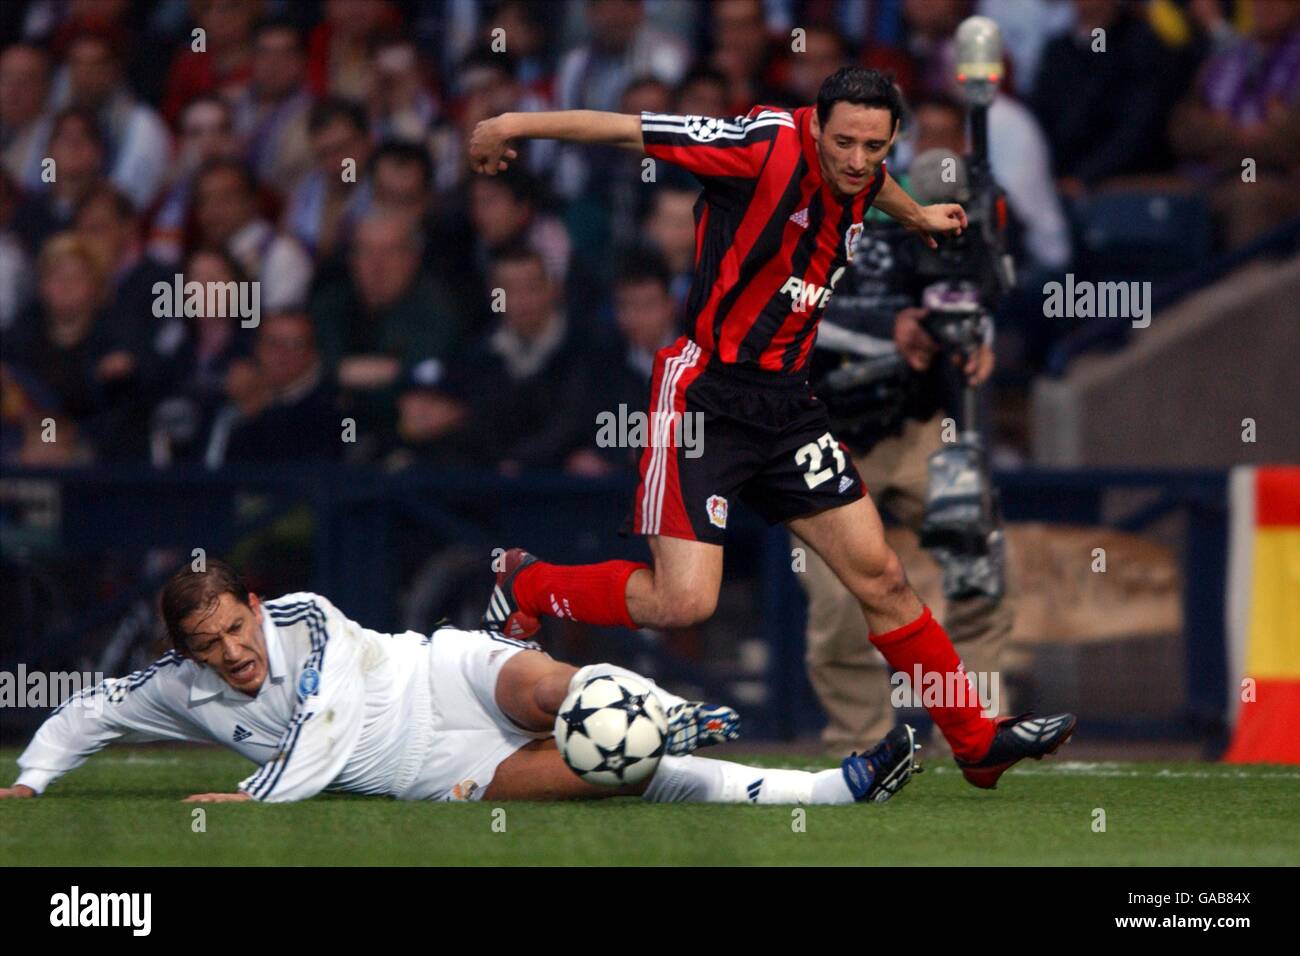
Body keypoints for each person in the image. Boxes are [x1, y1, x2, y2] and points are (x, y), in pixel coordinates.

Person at [468, 66, 1074, 788]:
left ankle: (975, 741)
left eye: (873, 146)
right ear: (815, 128)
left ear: (892, 141)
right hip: (705, 399)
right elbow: (630, 129)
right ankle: (532, 584)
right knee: (682, 602)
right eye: (842, 141)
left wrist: (915, 216)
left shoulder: (864, 172)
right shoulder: (760, 146)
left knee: (880, 575)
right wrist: (510, 127)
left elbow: (871, 185)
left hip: (788, 405)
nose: (856, 160)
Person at [1, 560, 919, 806]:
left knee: (551, 689)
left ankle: (673, 717)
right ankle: (828, 790)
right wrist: (35, 779)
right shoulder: (178, 684)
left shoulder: (307, 619)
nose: (236, 653)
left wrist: (255, 799)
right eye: (212, 646)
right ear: (189, 651)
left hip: (438, 676)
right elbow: (92, 709)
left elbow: (320, 724)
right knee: (614, 771)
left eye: (238, 626)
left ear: (255, 604)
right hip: (427, 770)